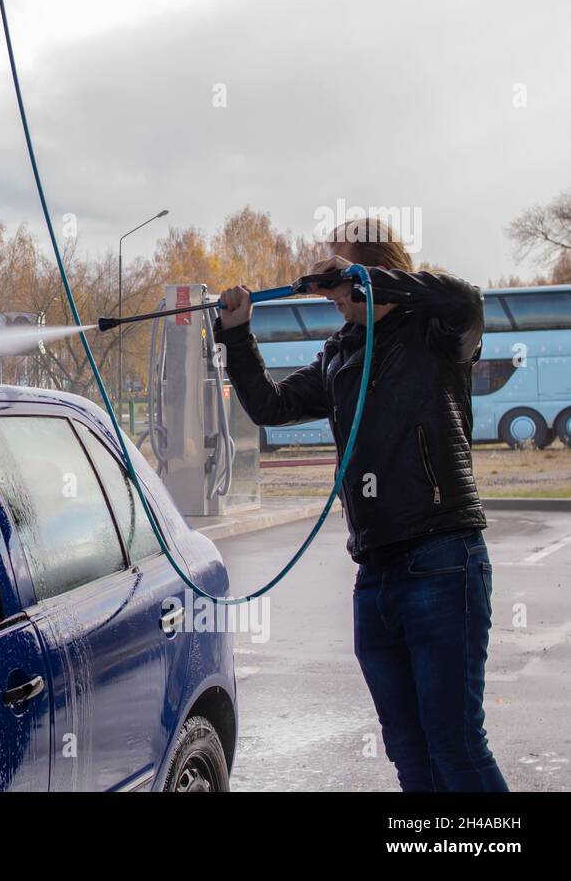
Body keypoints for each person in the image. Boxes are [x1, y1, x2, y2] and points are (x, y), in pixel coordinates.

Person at [214, 217, 508, 792]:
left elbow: (468, 301)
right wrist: (237, 334)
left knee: (457, 747)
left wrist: (366, 279)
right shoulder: (339, 354)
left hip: (443, 559)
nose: (331, 290)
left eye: (341, 269)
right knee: (408, 751)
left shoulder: (433, 328)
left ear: (379, 268)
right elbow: (271, 407)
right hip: (375, 575)